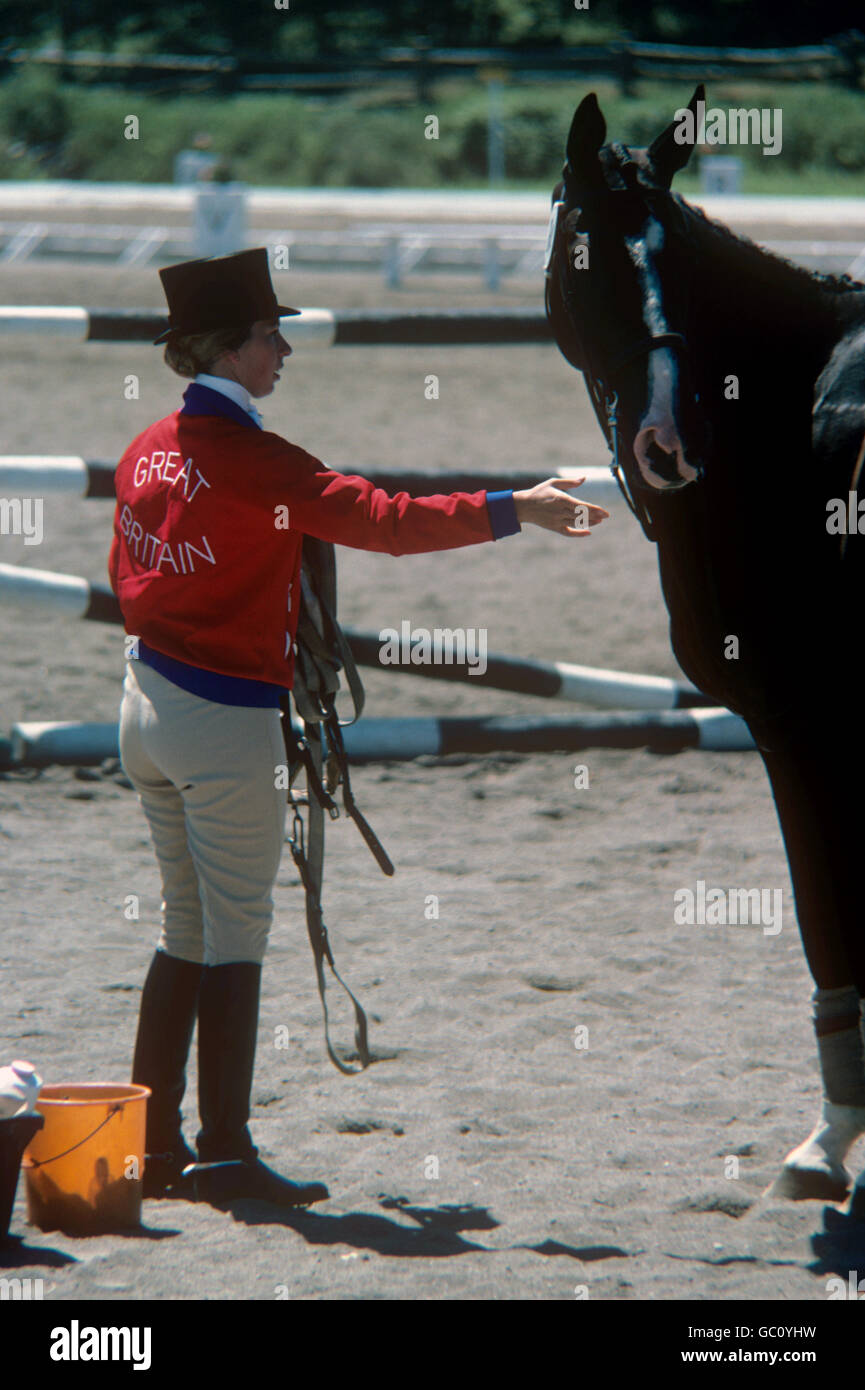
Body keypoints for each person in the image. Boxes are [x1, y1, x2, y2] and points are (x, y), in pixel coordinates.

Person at [108, 248, 609, 1208]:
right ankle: (220, 1147)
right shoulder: (260, 461)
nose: (284, 347)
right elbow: (383, 522)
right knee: (237, 934)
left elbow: (135, 574)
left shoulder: (146, 449)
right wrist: (517, 508)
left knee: (183, 926)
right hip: (221, 718)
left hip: (143, 706)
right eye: (268, 334)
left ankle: (156, 1142)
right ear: (230, 347)